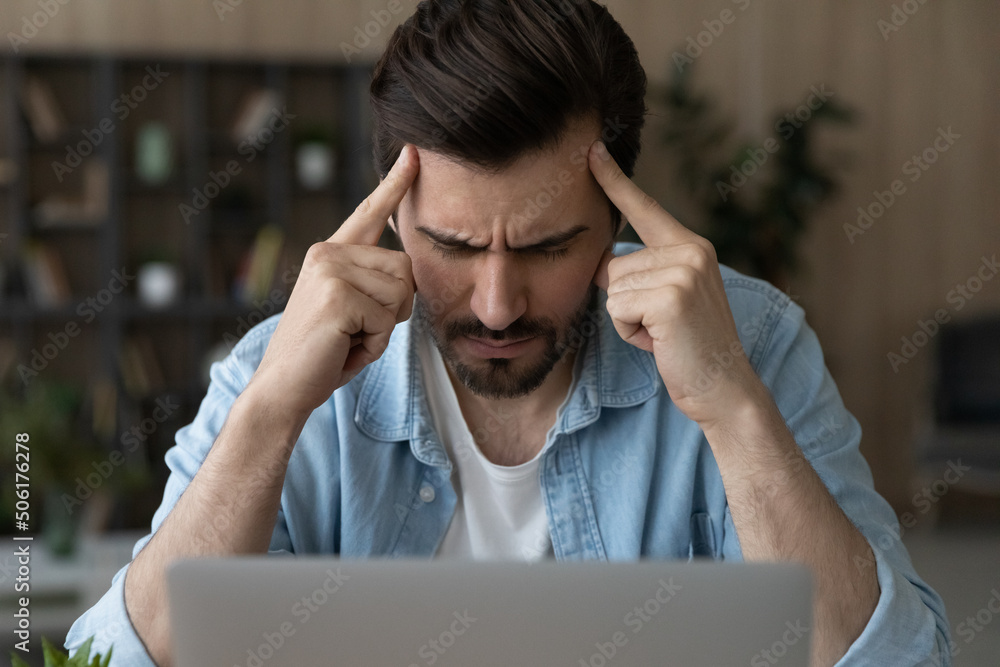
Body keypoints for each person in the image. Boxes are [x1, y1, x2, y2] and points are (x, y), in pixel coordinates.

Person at [66, 0, 951, 665]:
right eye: (451, 245)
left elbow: (902, 658)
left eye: (547, 245)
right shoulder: (280, 369)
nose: (495, 304)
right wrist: (268, 416)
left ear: (619, 221)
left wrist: (730, 405)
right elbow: (107, 659)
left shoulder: (751, 343)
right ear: (389, 214)